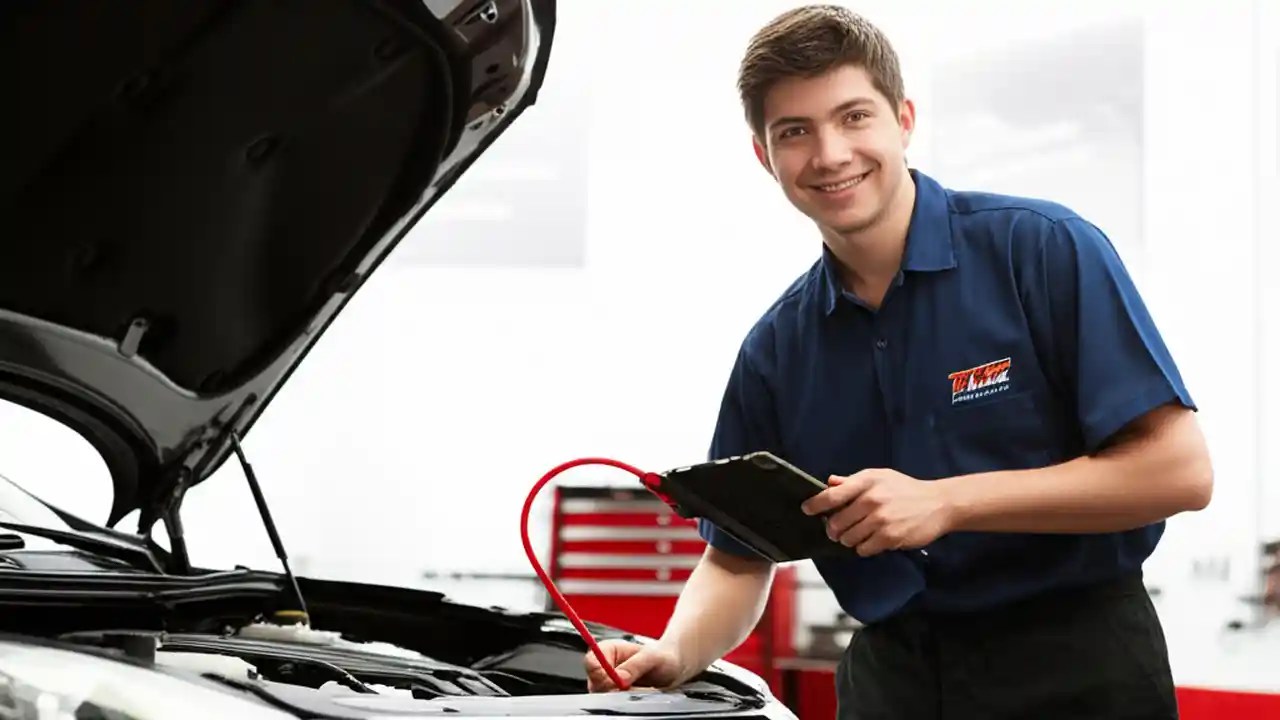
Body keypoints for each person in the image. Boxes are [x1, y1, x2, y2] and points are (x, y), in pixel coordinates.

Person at [583, 5, 1213, 719]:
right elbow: (736, 558)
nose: (829, 154)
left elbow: (1178, 473)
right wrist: (675, 653)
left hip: (1079, 668)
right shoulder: (777, 350)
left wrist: (946, 502)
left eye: (853, 117)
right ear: (765, 156)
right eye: (795, 131)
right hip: (896, 681)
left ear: (903, 120)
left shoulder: (1041, 250)